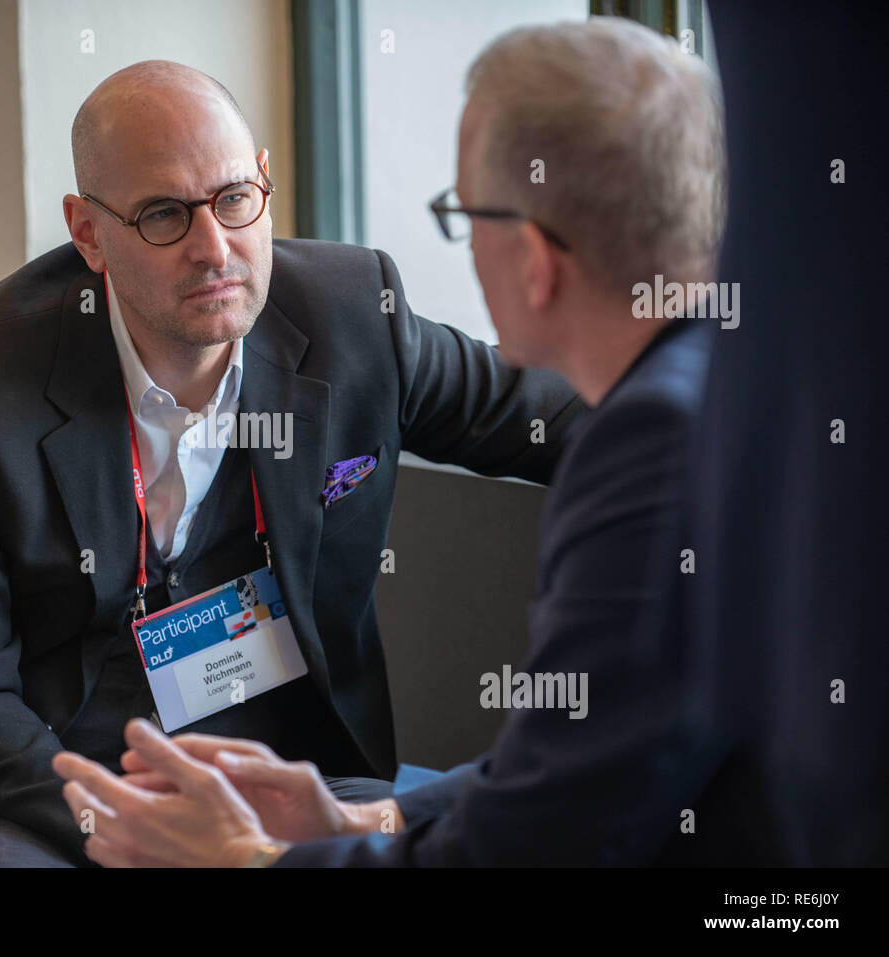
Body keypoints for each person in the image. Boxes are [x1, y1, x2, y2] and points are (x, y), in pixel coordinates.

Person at [0, 59, 581, 867]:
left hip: (278, 777)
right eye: (164, 214)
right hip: (31, 793)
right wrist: (140, 830)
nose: (215, 248)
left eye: (235, 199)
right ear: (89, 233)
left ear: (264, 184)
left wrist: (723, 437)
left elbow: (556, 415)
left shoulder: (353, 314)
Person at [52, 17, 734, 867]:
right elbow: (569, 772)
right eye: (163, 214)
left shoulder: (651, 449)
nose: (214, 246)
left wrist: (251, 862)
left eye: (463, 213)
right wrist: (370, 824)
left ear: (531, 260)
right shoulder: (730, 391)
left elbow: (535, 838)